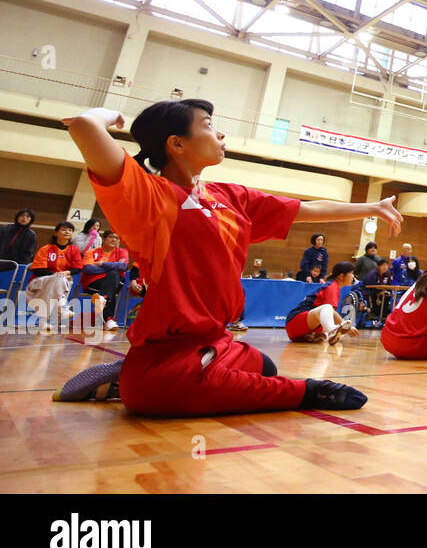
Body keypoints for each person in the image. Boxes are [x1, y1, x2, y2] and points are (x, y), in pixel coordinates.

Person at [49, 99, 399, 410]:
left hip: (217, 339)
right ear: (176, 143)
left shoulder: (232, 197)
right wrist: (113, 115)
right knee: (150, 392)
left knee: (263, 367)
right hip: (169, 344)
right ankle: (305, 392)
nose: (220, 134)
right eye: (208, 125)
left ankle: (135, 374)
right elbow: (85, 125)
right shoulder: (146, 194)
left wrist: (373, 207)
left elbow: (307, 209)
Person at [285, 261, 360, 344]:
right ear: (341, 276)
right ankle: (332, 331)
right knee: (327, 307)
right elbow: (331, 312)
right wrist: (346, 327)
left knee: (325, 334)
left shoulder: (334, 287)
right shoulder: (332, 286)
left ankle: (325, 333)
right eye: (351, 273)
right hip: (295, 322)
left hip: (301, 330)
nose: (353, 276)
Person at [28, 221, 82, 329]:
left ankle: (44, 321)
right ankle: (62, 305)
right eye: (64, 229)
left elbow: (78, 268)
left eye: (70, 230)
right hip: (41, 281)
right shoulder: (46, 249)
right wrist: (57, 275)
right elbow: (38, 270)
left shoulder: (74, 250)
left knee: (61, 282)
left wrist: (67, 272)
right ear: (56, 233)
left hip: (62, 282)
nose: (67, 232)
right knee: (59, 281)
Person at [81, 231, 131, 331]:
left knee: (113, 275)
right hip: (94, 283)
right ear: (103, 239)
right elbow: (88, 269)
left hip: (116, 281)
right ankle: (109, 319)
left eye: (117, 238)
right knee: (112, 283)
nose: (114, 240)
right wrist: (113, 266)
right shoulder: (92, 252)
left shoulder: (122, 252)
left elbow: (123, 266)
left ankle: (102, 299)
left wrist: (102, 264)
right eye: (111, 237)